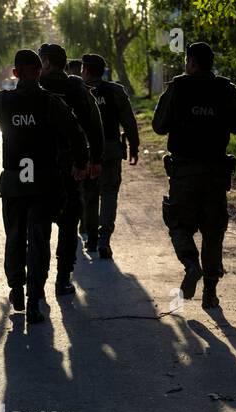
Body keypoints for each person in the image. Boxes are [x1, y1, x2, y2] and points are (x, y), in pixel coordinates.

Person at [0, 49, 88, 323]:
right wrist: (81, 163)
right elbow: (75, 134)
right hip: (44, 182)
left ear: (15, 73)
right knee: (38, 240)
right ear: (39, 71)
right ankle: (35, 298)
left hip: (13, 182)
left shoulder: (1, 101)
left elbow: (0, 122)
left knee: (15, 236)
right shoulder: (51, 103)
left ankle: (16, 288)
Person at [151, 41, 236, 309]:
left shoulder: (177, 88)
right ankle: (211, 292)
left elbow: (158, 126)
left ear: (192, 62)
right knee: (213, 230)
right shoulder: (226, 90)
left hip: (184, 173)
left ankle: (191, 264)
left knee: (179, 224)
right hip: (216, 173)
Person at [37, 43, 103, 297]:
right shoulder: (76, 87)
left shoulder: (36, 86)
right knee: (68, 223)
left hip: (39, 168)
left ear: (45, 62)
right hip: (71, 167)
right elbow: (93, 125)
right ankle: (62, 279)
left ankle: (37, 284)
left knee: (39, 226)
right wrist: (94, 160)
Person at [79, 53, 139, 260]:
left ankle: (92, 238)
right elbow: (129, 121)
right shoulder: (115, 91)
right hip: (111, 149)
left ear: (86, 71)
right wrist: (135, 146)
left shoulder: (79, 92)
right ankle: (105, 239)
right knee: (110, 193)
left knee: (89, 194)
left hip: (86, 152)